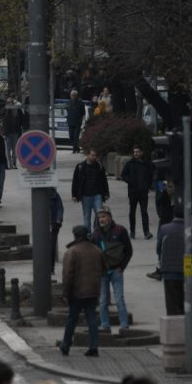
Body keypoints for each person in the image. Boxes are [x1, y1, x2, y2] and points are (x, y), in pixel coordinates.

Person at [58, 224, 104, 357]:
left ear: (75, 235)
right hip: (93, 290)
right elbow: (103, 269)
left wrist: (66, 293)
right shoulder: (97, 250)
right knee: (92, 319)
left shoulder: (72, 251)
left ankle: (65, 345)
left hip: (77, 292)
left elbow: (67, 275)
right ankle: (94, 347)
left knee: (72, 319)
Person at [91, 206, 133, 336]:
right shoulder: (96, 234)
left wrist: (122, 267)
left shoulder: (120, 231)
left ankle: (124, 326)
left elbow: (128, 251)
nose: (101, 219)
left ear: (110, 217)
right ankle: (105, 326)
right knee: (103, 301)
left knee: (119, 299)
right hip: (103, 272)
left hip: (116, 271)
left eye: (103, 216)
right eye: (99, 217)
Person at [71, 149, 110, 231]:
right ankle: (87, 233)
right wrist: (74, 195)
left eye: (95, 155)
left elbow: (104, 180)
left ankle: (97, 231)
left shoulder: (99, 166)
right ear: (87, 155)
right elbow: (75, 181)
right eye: (92, 155)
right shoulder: (80, 167)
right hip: (85, 196)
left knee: (99, 214)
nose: (94, 157)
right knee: (87, 215)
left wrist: (106, 193)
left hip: (97, 195)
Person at [121, 146, 155, 239]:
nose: (135, 153)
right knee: (132, 212)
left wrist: (148, 184)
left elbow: (151, 174)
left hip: (143, 192)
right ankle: (132, 232)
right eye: (134, 152)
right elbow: (123, 175)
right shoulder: (130, 163)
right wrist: (130, 181)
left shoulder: (146, 164)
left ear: (141, 153)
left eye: (137, 152)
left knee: (144, 212)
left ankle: (146, 232)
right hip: (133, 192)